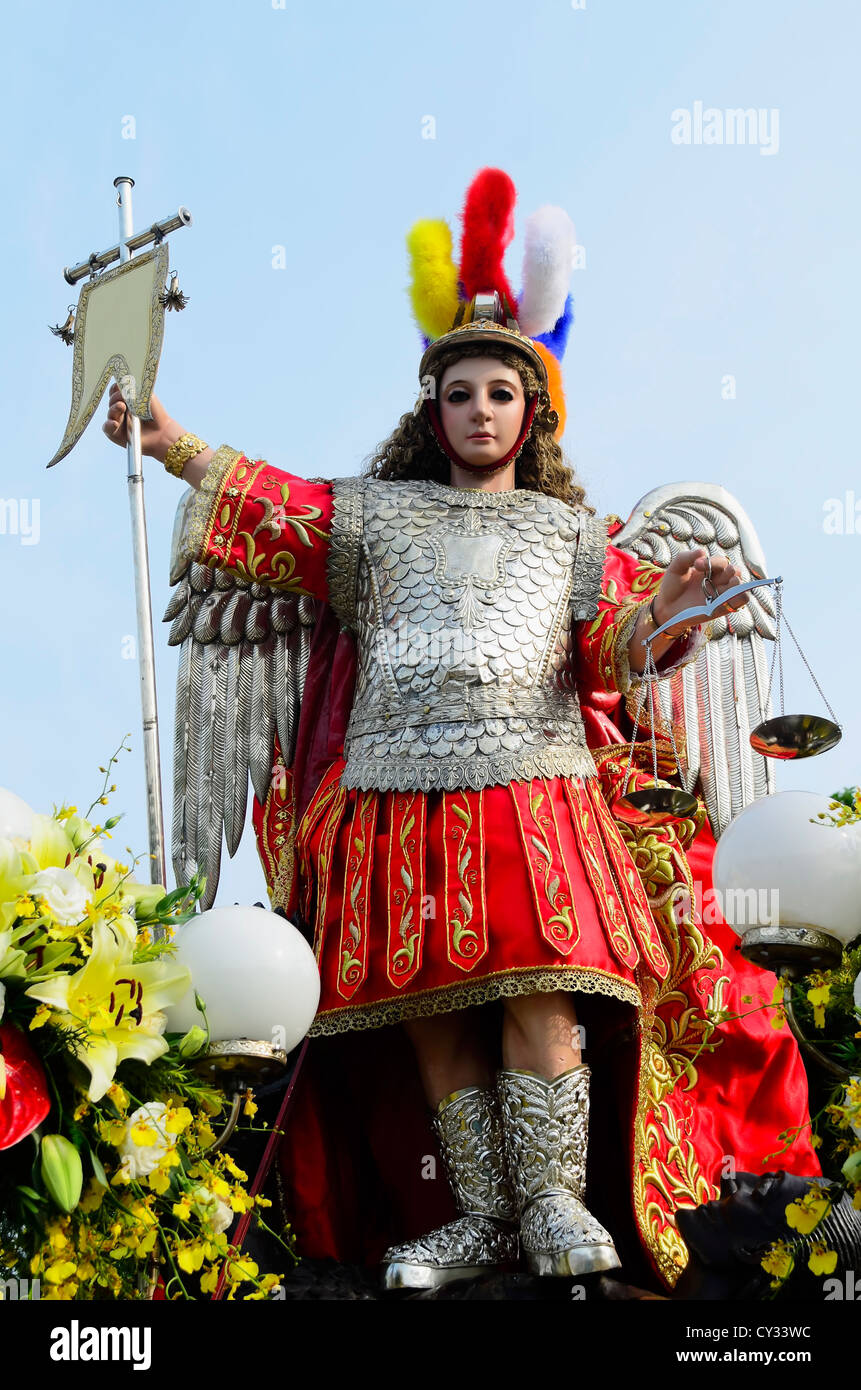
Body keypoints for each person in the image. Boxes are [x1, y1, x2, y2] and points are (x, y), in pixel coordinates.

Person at [103, 173, 820, 1294]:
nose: (480, 411)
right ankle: (482, 1216)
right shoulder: (369, 519)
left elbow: (619, 647)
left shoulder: (572, 536)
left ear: (532, 413)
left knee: (542, 991)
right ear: (430, 412)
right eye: (459, 394)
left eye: (500, 393)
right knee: (430, 1012)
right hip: (391, 796)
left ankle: (554, 1200)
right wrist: (168, 438)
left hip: (536, 791)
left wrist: (674, 609)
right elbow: (270, 504)